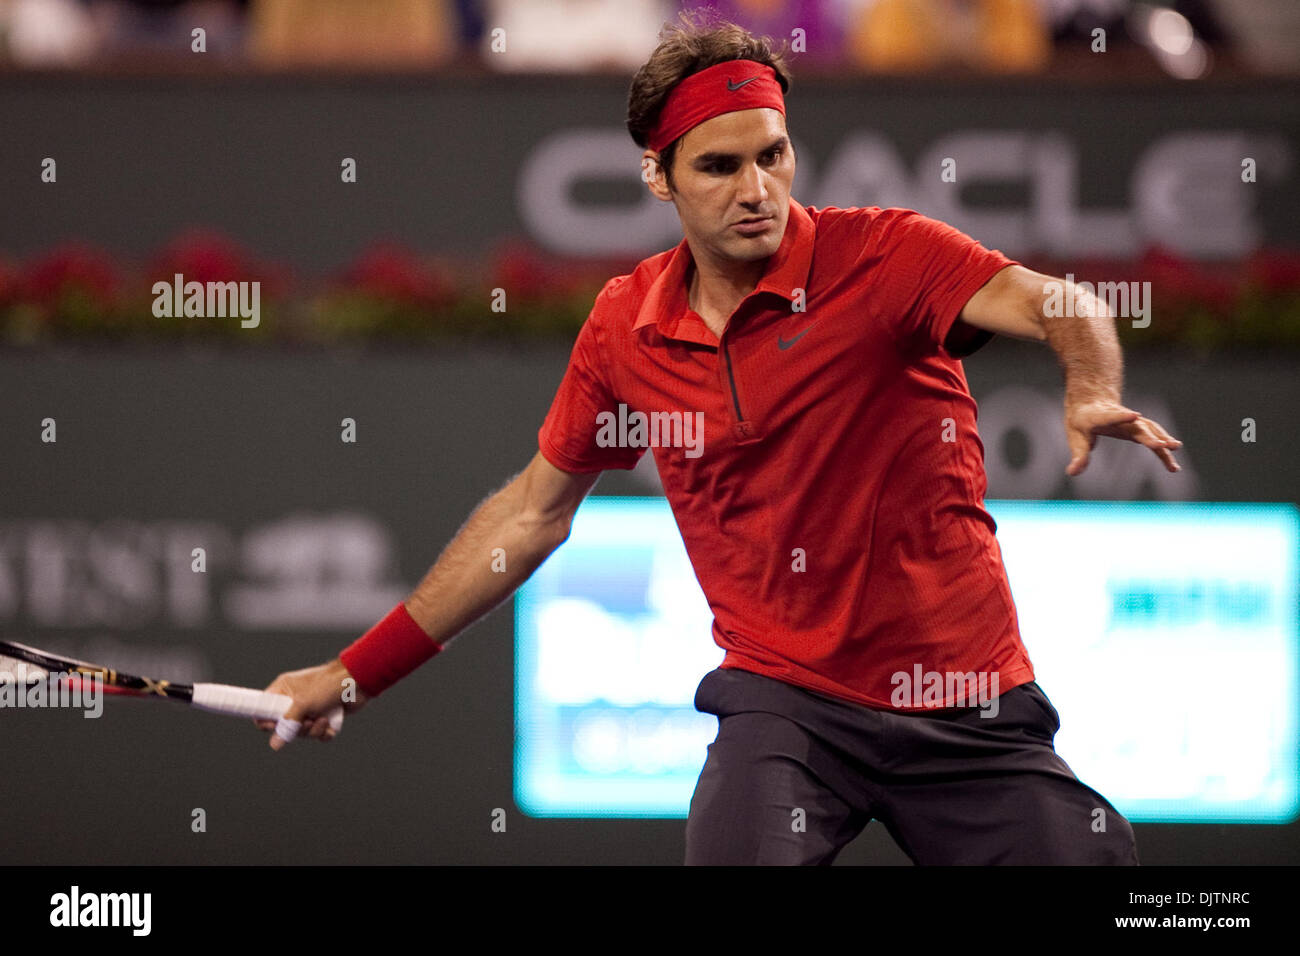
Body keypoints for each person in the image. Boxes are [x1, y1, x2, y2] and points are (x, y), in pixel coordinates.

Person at [258, 10, 1180, 866]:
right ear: (658, 177)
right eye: (719, 168)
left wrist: (1092, 384)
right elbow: (530, 515)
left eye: (772, 157)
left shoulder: (890, 255)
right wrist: (353, 674)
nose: (757, 191)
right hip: (791, 708)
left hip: (965, 700)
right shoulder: (626, 327)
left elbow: (1058, 301)